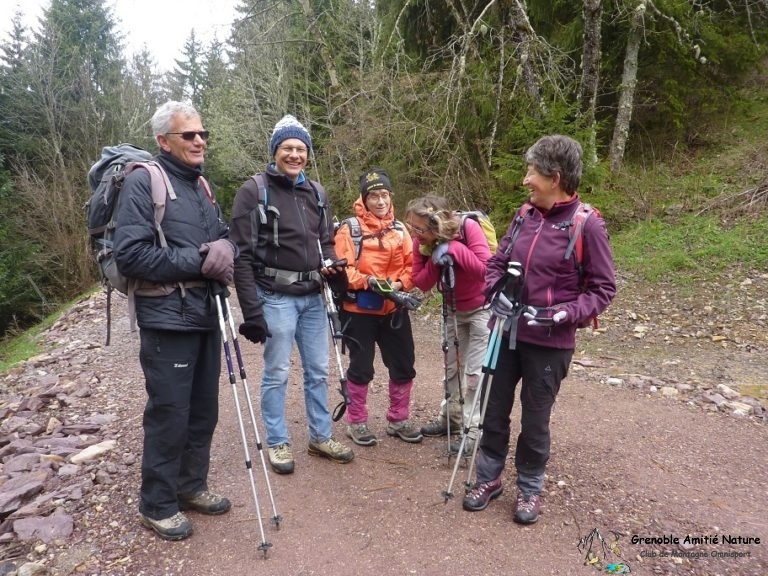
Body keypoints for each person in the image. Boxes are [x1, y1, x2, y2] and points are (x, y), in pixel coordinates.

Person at [463, 134, 616, 524]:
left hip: (549, 344)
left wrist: (564, 314)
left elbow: (602, 289)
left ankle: (529, 488)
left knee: (535, 419)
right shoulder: (523, 216)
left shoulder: (587, 225)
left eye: (532, 172)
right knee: (492, 410)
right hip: (505, 333)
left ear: (555, 176)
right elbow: (497, 263)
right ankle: (488, 478)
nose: (526, 180)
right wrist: (495, 291)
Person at [114, 100, 234, 541]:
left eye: (202, 133)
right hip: (165, 319)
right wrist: (202, 259)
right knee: (170, 413)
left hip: (205, 314)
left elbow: (220, 238)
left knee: (204, 409)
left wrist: (226, 250)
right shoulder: (144, 182)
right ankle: (157, 503)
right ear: (164, 141)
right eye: (189, 135)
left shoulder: (201, 185)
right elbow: (132, 255)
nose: (199, 140)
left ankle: (191, 486)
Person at [230, 114, 354, 475]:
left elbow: (326, 242)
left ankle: (320, 435)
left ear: (308, 153)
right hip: (275, 296)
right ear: (275, 151)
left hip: (314, 295)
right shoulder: (254, 191)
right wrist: (252, 310)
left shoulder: (317, 192)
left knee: (318, 370)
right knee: (277, 371)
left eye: (301, 148)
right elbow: (241, 254)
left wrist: (333, 266)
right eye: (288, 148)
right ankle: (278, 441)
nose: (295, 155)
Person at [334, 168, 423, 447]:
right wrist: (369, 282)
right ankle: (357, 422)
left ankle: (398, 419)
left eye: (385, 195)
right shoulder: (350, 229)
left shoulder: (399, 229)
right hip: (359, 310)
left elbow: (413, 267)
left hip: (394, 308)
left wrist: (397, 286)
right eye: (374, 196)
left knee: (403, 363)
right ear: (364, 199)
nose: (381, 201)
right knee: (361, 367)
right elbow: (342, 270)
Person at [406, 196, 492, 455]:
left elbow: (486, 270)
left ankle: (473, 431)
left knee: (474, 374)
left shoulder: (468, 228)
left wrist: (454, 249)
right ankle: (451, 421)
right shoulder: (421, 243)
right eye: (411, 227)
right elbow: (419, 281)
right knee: (452, 369)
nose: (414, 234)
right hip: (453, 311)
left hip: (481, 311)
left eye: (419, 229)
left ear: (436, 224)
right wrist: (435, 260)